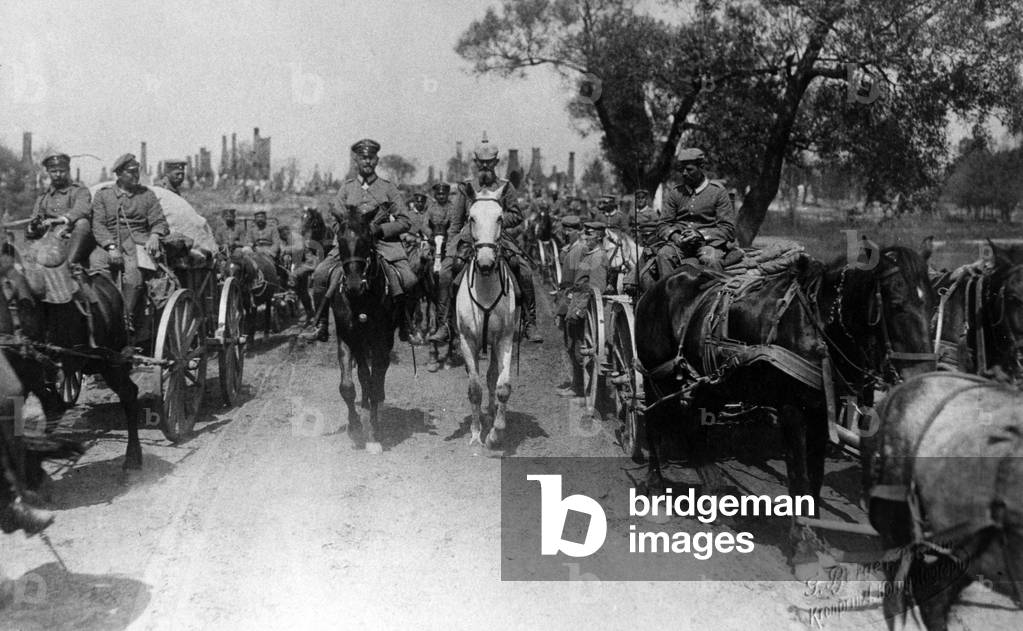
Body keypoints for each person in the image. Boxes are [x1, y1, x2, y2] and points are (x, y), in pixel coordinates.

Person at [427, 134, 542, 345]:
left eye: (490, 162)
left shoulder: (506, 187)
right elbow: (455, 221)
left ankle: (529, 322)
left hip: (497, 238)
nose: (486, 166)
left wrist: (494, 221)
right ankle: (444, 324)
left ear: (497, 162)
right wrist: (451, 248)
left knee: (523, 269)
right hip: (469, 239)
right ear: (476, 163)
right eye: (482, 162)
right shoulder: (466, 187)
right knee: (445, 273)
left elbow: (516, 215)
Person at [305, 139, 418, 343]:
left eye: (371, 157)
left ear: (377, 160)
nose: (367, 161)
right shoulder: (346, 189)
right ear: (356, 160)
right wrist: (350, 232)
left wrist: (379, 229)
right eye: (363, 157)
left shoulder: (388, 188)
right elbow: (335, 220)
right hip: (351, 247)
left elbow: (405, 221)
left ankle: (406, 326)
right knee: (320, 274)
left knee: (409, 280)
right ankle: (321, 325)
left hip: (384, 245)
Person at [91, 153, 168, 334]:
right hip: (108, 242)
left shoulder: (147, 195)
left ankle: (127, 317)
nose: (136, 176)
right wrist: (110, 247)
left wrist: (155, 236)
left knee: (134, 274)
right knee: (96, 264)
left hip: (137, 243)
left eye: (137, 171)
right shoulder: (104, 196)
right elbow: (98, 224)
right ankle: (106, 312)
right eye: (131, 172)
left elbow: (159, 221)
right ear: (119, 174)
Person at [653, 147, 735, 279]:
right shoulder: (675, 193)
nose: (684, 173)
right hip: (679, 245)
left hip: (708, 245)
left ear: (701, 167)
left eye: (689, 169)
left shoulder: (718, 192)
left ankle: (714, 297)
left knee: (712, 259)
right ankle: (669, 297)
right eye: (682, 169)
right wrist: (676, 237)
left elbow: (728, 228)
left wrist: (700, 234)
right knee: (663, 255)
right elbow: (663, 224)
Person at [555, 220, 611, 397]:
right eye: (585, 233)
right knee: (573, 346)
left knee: (579, 348)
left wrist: (580, 309)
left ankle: (580, 388)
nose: (585, 237)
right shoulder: (590, 254)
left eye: (590, 234)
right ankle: (577, 385)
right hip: (577, 301)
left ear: (600, 236)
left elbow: (596, 289)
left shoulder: (599, 257)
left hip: (584, 308)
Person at [26, 152, 96, 270]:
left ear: (68, 171)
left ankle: (69, 264)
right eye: (53, 171)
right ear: (48, 172)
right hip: (52, 240)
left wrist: (62, 219)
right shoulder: (44, 196)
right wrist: (34, 225)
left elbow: (82, 209)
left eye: (62, 171)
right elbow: (35, 217)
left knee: (83, 222)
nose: (58, 175)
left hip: (76, 240)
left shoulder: (79, 191)